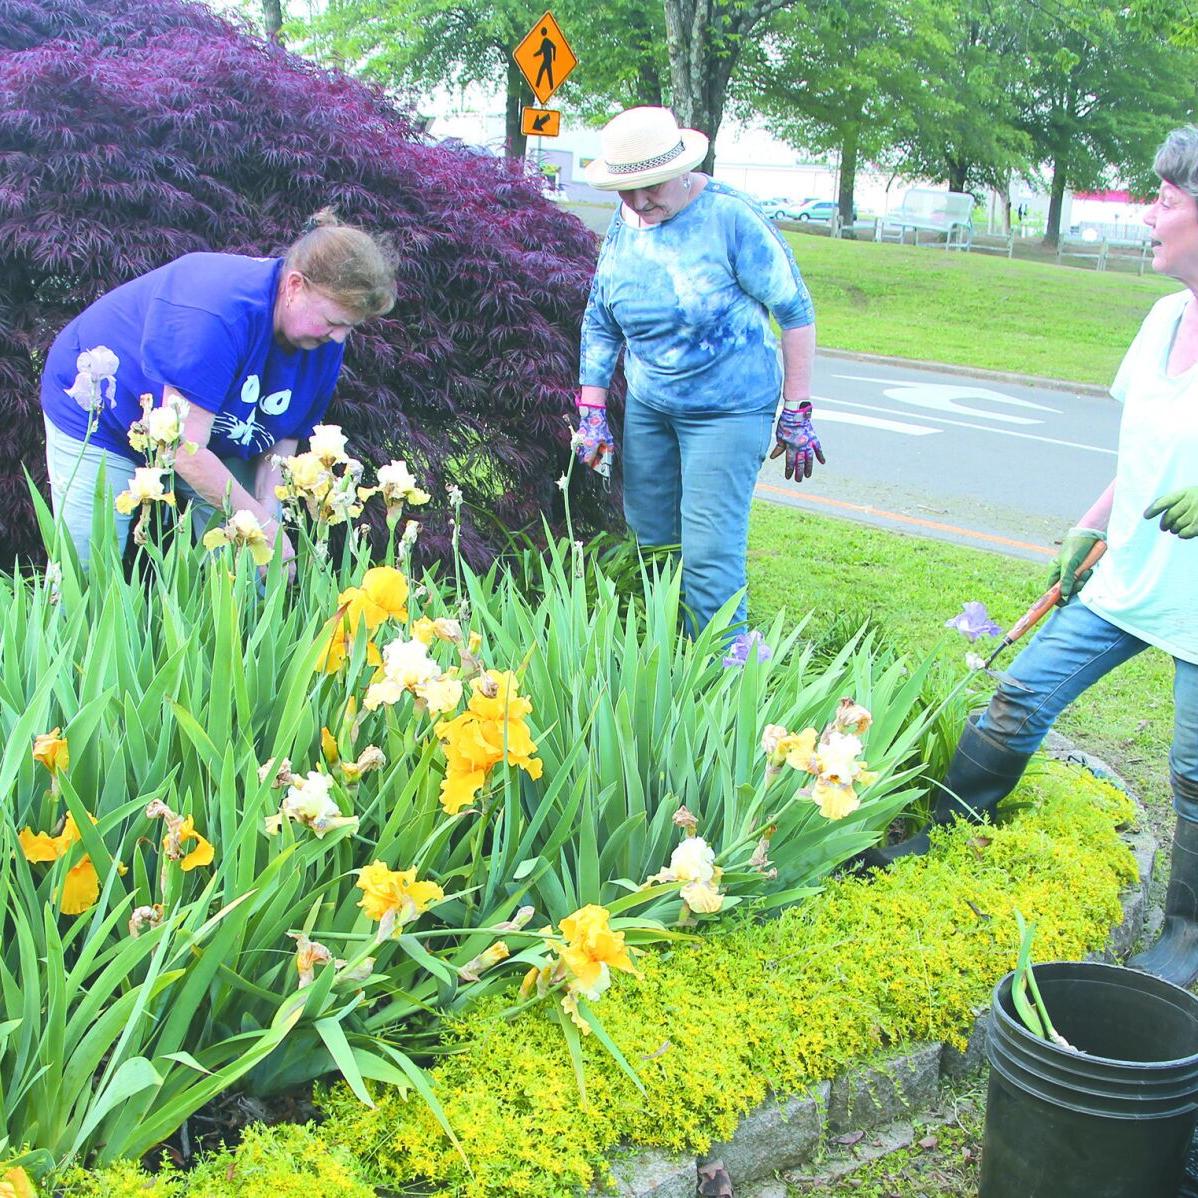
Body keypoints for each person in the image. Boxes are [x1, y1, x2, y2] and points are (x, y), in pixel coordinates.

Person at [870, 126, 1198, 989]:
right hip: (1129, 575)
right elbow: (1141, 461)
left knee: (1194, 774)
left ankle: (1189, 932)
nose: (1150, 214)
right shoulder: (1166, 316)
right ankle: (948, 826)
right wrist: (1086, 527)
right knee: (1020, 696)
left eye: (1167, 199)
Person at [574, 106, 825, 635]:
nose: (641, 201)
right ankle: (667, 666)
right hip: (650, 406)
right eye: (628, 190)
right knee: (651, 544)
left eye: (652, 186)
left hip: (728, 410)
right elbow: (601, 320)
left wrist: (797, 408)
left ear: (682, 169)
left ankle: (720, 686)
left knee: (710, 554)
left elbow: (796, 311)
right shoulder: (625, 226)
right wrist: (592, 409)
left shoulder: (729, 218)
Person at [40, 209, 397, 571]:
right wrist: (263, 528)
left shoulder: (323, 340)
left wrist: (266, 517)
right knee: (86, 571)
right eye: (334, 322)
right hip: (104, 414)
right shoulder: (218, 313)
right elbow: (182, 448)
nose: (338, 338)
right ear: (294, 286)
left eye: (349, 327)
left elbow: (284, 434)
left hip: (206, 432)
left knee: (247, 571)